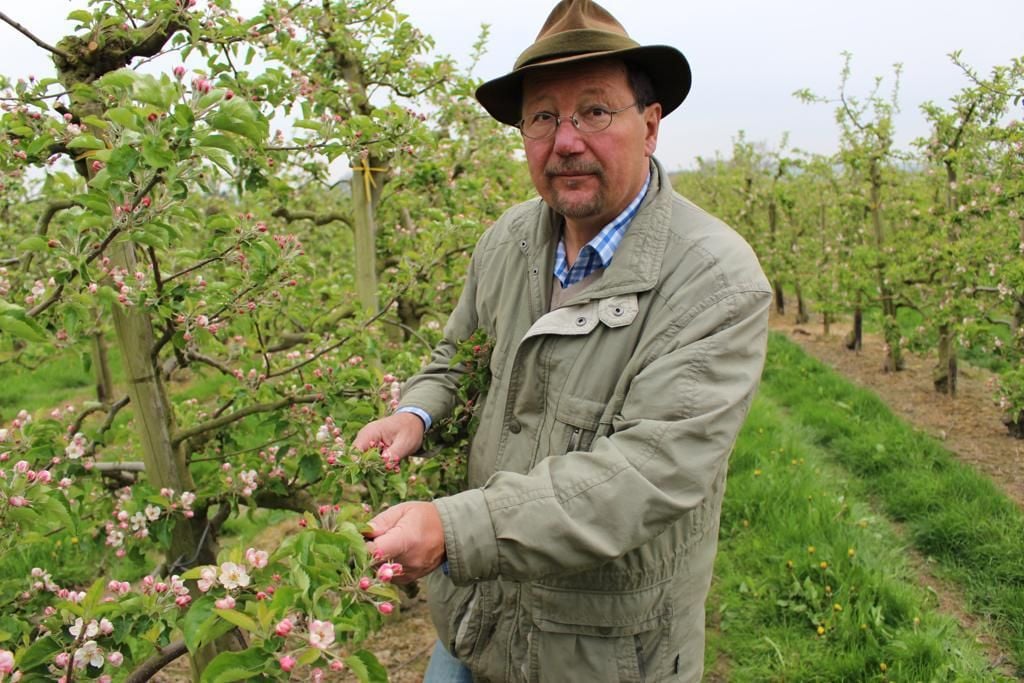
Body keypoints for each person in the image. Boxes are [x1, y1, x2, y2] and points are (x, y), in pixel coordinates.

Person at [354, 1, 771, 680]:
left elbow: (644, 474)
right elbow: (456, 358)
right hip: (477, 617)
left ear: (651, 124)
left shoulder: (716, 280)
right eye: (543, 116)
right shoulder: (508, 242)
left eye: (595, 111)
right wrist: (417, 411)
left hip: (602, 651)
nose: (566, 139)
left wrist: (454, 529)